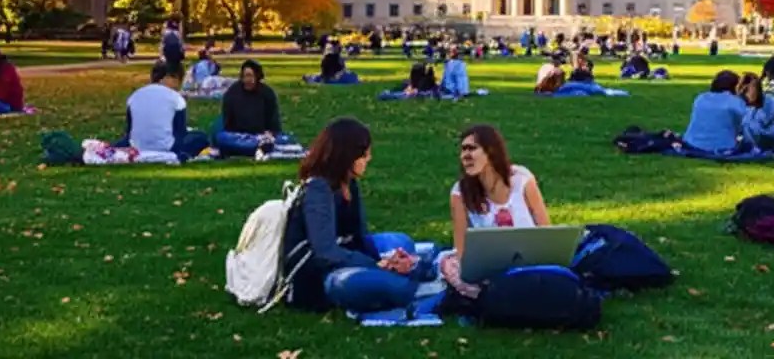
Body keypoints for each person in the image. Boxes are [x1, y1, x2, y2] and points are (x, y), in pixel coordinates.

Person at [283, 117, 431, 313]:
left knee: (400, 241)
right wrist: (377, 265)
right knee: (378, 284)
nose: (368, 158)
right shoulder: (318, 189)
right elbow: (325, 252)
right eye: (364, 153)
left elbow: (360, 236)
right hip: (323, 274)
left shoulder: (349, 183)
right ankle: (426, 283)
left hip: (349, 254)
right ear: (347, 155)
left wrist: (386, 260)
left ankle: (415, 273)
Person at [441, 125, 550, 294]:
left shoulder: (521, 179)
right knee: (449, 264)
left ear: (491, 151)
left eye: (472, 149)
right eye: (463, 150)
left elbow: (546, 231)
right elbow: (461, 249)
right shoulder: (460, 192)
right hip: (489, 267)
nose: (465, 156)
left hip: (530, 261)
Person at [121, 61, 208, 161]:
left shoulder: (134, 96)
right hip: (168, 147)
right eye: (178, 80)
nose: (178, 86)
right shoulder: (175, 98)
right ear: (170, 77)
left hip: (137, 146)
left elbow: (130, 130)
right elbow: (180, 132)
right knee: (201, 137)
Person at [216, 60, 297, 157]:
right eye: (245, 76)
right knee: (222, 138)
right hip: (241, 138)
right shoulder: (232, 93)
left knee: (286, 139)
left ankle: (256, 147)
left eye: (250, 76)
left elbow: (274, 123)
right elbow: (228, 125)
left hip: (263, 136)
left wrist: (269, 133)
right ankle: (258, 147)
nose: (248, 79)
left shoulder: (267, 93)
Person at [682, 71, 747, 154]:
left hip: (692, 143)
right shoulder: (735, 102)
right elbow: (745, 125)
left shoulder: (700, 98)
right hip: (724, 146)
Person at [738, 72, 774, 151]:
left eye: (755, 88)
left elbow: (765, 121)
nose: (752, 93)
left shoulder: (769, 100)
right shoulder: (740, 102)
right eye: (749, 90)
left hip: (769, 136)